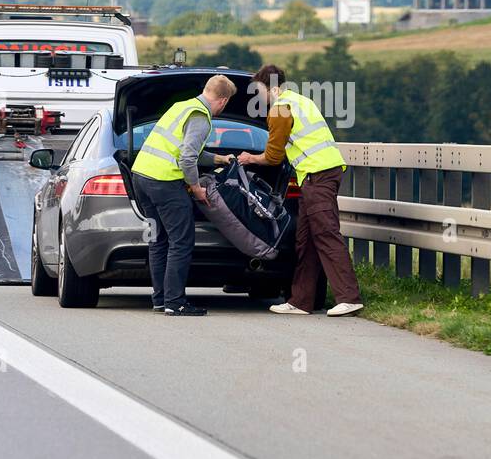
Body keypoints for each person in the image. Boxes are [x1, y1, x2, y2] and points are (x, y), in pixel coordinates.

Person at [237, 64, 363, 317]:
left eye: (259, 91)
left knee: (326, 233)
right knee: (306, 240)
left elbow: (273, 157)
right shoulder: (300, 101)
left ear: (272, 88)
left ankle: (349, 297)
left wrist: (249, 159)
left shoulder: (279, 110)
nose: (258, 97)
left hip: (318, 174)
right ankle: (301, 301)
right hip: (317, 174)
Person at [131, 74, 237, 316]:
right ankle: (175, 302)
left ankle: (160, 299)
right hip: (164, 181)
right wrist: (196, 187)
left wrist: (220, 158)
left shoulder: (182, 107)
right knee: (181, 242)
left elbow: (185, 149)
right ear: (223, 100)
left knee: (158, 241)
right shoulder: (200, 117)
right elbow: (187, 158)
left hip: (142, 177)